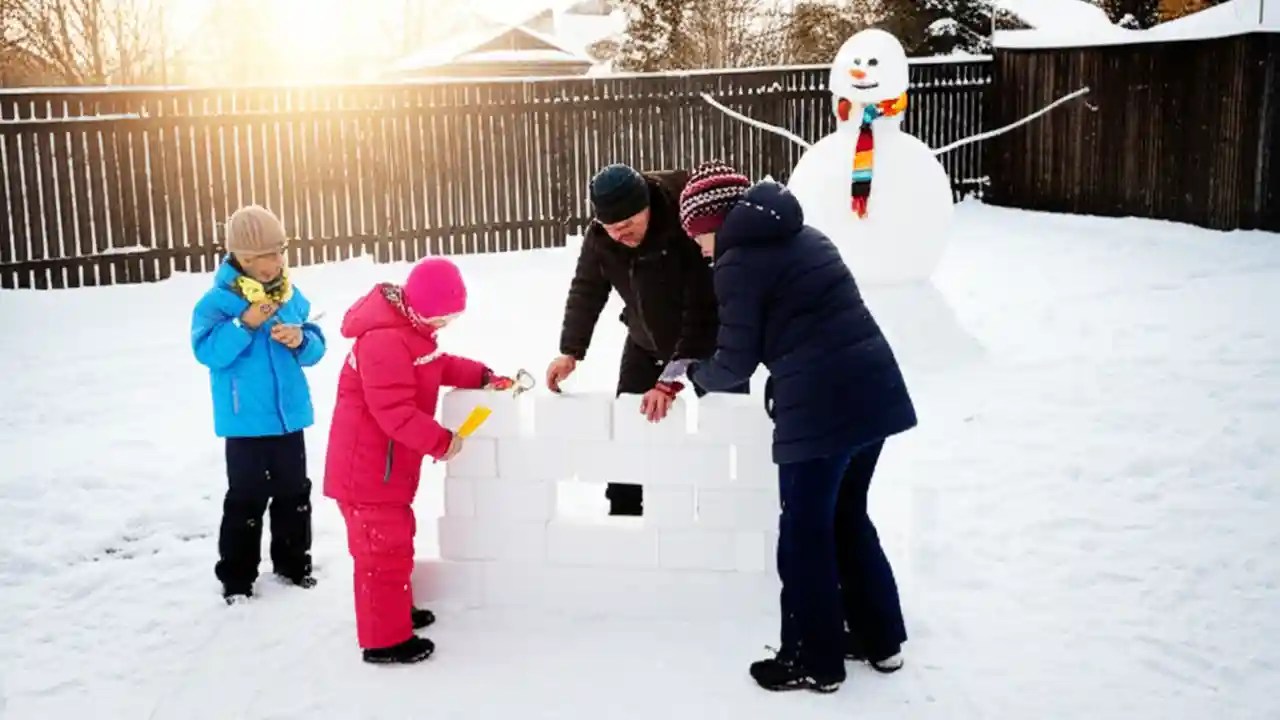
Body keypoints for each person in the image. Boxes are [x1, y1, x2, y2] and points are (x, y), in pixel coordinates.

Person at [666, 161, 916, 693]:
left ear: (716, 223)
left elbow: (735, 360)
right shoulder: (805, 235)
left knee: (804, 536)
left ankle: (812, 659)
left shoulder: (738, 264)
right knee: (848, 517)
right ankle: (881, 641)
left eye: (698, 236)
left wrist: (693, 373)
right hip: (875, 395)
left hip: (821, 410)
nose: (699, 248)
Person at [323, 257, 519, 665]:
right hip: (366, 473)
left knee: (395, 544)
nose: (444, 326)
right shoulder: (381, 341)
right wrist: (441, 441)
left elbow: (437, 366)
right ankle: (384, 640)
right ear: (418, 306)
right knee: (380, 555)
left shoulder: (411, 333)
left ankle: (393, 611)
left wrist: (480, 375)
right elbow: (392, 411)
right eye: (441, 317)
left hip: (386, 471)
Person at [545, 163, 743, 516]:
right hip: (645, 340)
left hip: (708, 343)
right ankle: (625, 515)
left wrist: (672, 378)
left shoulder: (685, 224)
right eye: (610, 229)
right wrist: (570, 351)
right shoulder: (602, 237)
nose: (619, 236)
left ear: (647, 207)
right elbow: (587, 288)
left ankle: (727, 515)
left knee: (727, 428)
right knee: (629, 431)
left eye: (627, 226)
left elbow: (703, 306)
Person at [191, 205, 327, 604]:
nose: (274, 265)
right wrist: (244, 324)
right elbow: (209, 352)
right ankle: (236, 578)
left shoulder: (288, 294)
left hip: (289, 420)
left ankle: (292, 565)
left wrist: (301, 341)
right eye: (261, 258)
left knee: (294, 493)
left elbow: (315, 342)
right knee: (246, 498)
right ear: (240, 260)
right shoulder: (216, 303)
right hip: (245, 423)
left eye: (278, 253)